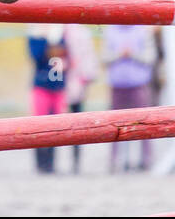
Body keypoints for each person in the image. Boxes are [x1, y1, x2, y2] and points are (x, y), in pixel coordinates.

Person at [103, 24, 158, 172]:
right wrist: (119, 54)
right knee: (113, 125)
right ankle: (115, 161)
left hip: (138, 84)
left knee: (145, 123)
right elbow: (104, 57)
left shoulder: (143, 30)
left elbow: (150, 57)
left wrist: (132, 54)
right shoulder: (110, 30)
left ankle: (146, 160)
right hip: (117, 85)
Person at [26, 24, 67, 174]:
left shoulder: (59, 34)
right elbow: (37, 57)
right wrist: (47, 40)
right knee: (38, 125)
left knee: (56, 126)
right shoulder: (34, 36)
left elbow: (63, 56)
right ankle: (40, 163)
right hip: (42, 86)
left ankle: (51, 163)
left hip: (57, 86)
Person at [61, 23, 99, 174]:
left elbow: (87, 57)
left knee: (76, 123)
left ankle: (75, 161)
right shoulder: (61, 31)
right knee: (72, 123)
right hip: (63, 81)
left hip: (74, 80)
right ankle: (71, 162)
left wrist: (85, 77)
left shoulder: (79, 32)